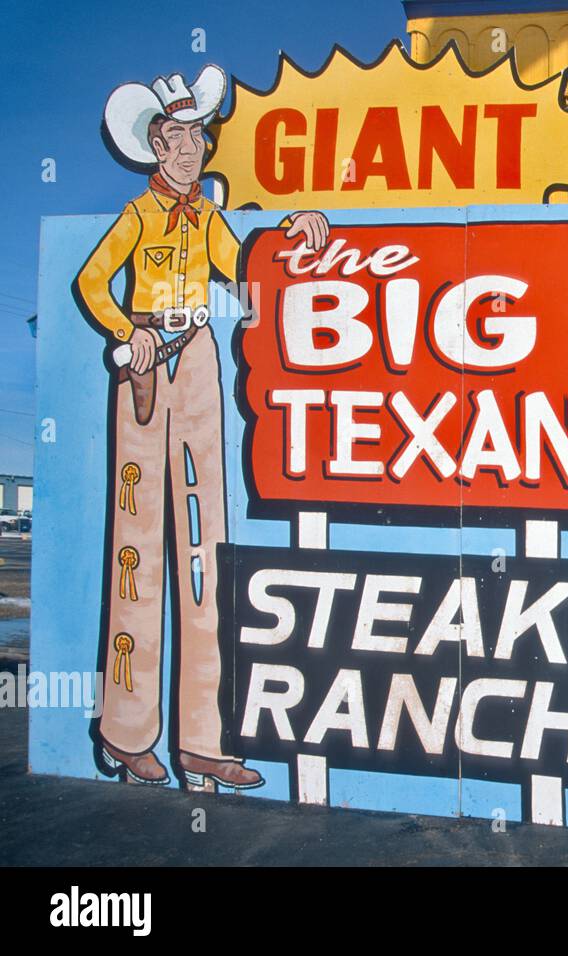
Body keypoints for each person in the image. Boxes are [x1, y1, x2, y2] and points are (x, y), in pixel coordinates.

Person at [75, 65, 329, 790]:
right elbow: (94, 282)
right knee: (137, 543)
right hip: (146, 364)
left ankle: (203, 739)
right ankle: (126, 730)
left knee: (204, 543)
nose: (193, 150)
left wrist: (294, 234)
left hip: (199, 358)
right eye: (181, 138)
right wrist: (130, 331)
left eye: (199, 138)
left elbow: (242, 264)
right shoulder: (138, 216)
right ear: (156, 144)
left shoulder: (206, 215)